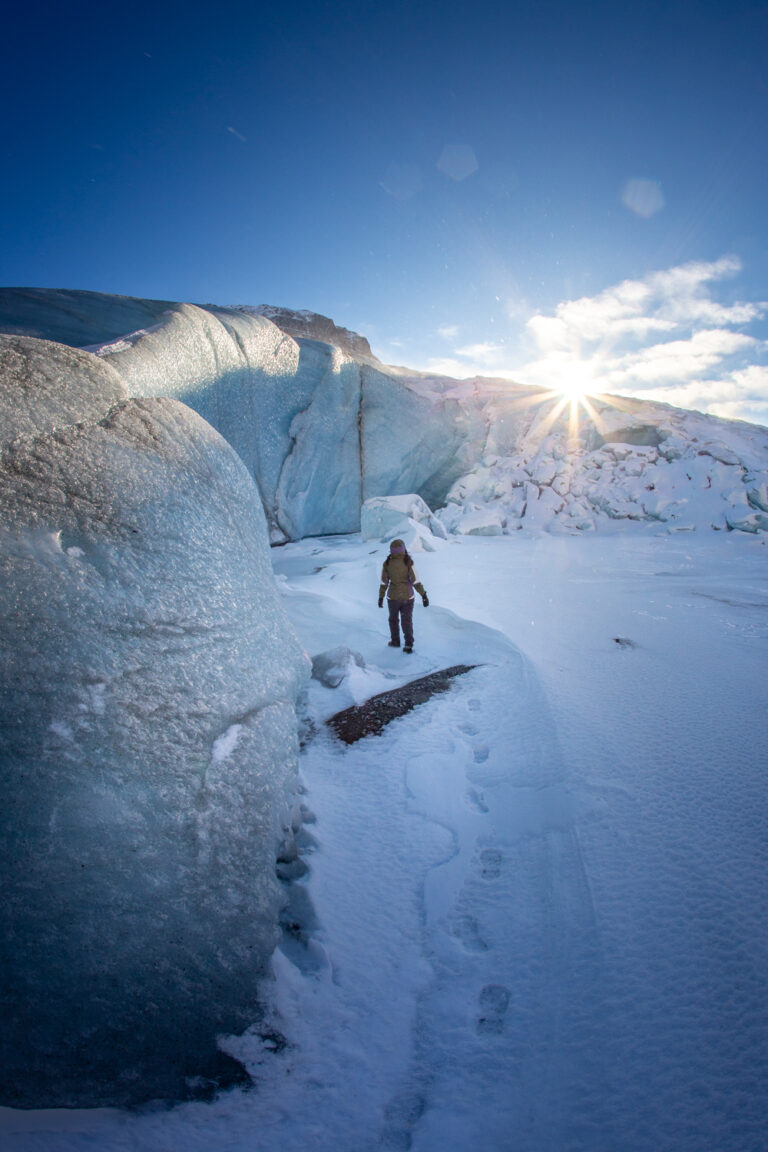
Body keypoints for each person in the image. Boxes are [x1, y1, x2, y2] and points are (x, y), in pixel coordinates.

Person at [378, 538, 429, 654]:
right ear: (403, 549)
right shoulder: (408, 562)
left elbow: (384, 582)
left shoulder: (387, 563)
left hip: (393, 598)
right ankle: (408, 644)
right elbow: (416, 581)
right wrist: (424, 595)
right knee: (407, 621)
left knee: (393, 620)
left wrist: (381, 597)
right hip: (408, 597)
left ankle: (395, 641)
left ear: (391, 551)